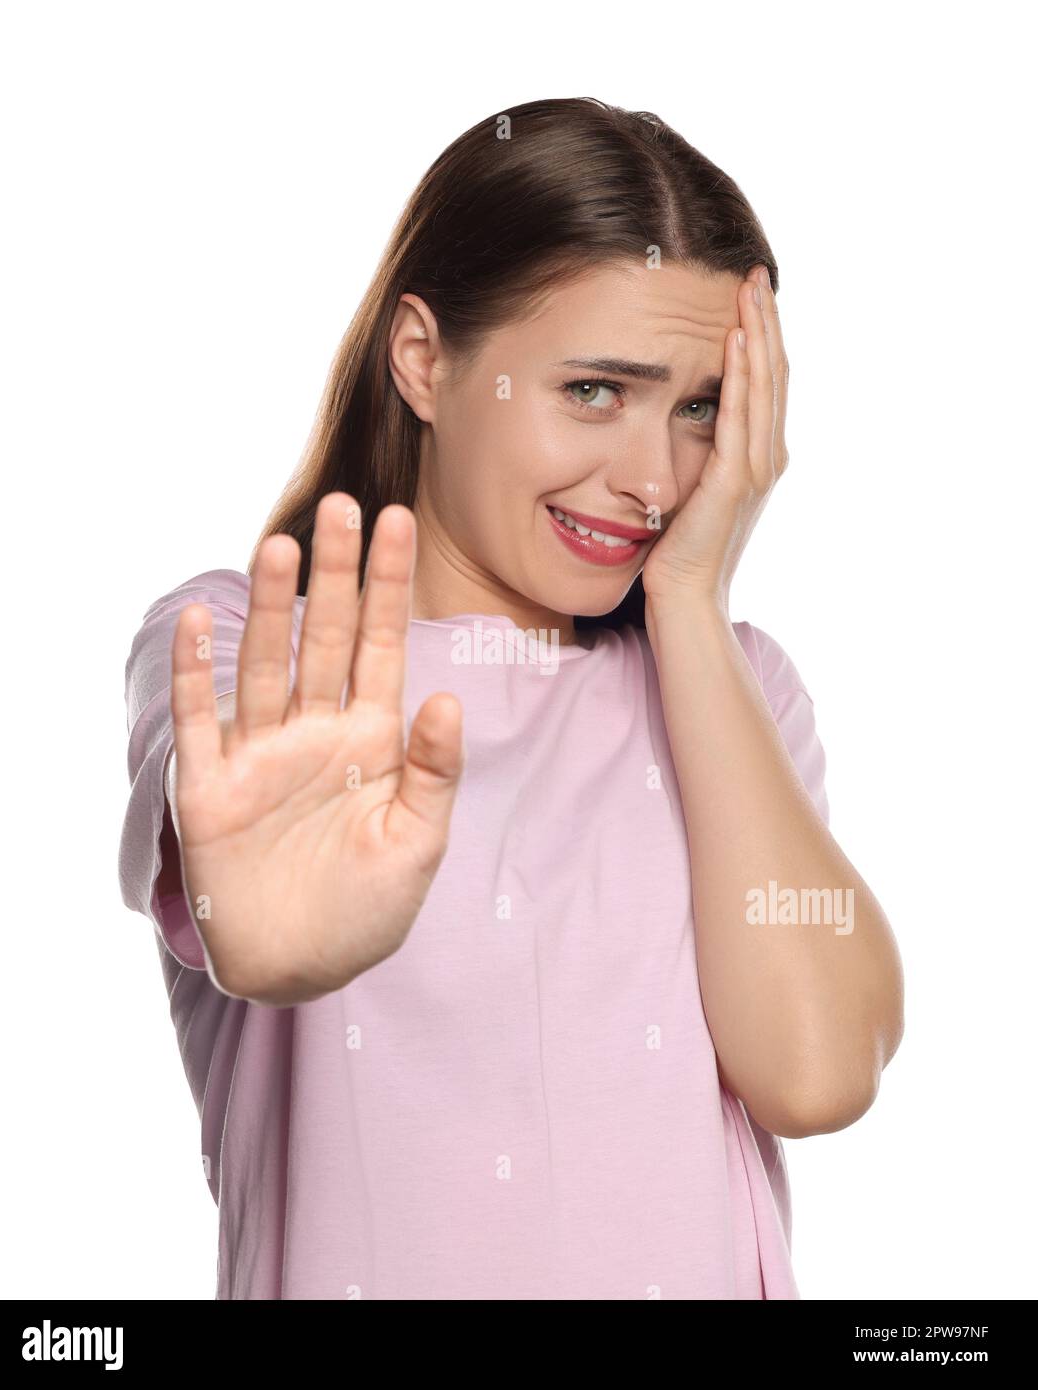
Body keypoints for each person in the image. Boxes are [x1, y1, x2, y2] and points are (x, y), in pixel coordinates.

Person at [118, 96, 904, 1300]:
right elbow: (244, 872)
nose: (651, 480)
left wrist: (688, 600)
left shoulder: (735, 687)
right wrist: (257, 920)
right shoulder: (255, 642)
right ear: (425, 361)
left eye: (698, 408)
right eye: (595, 389)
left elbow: (816, 1073)